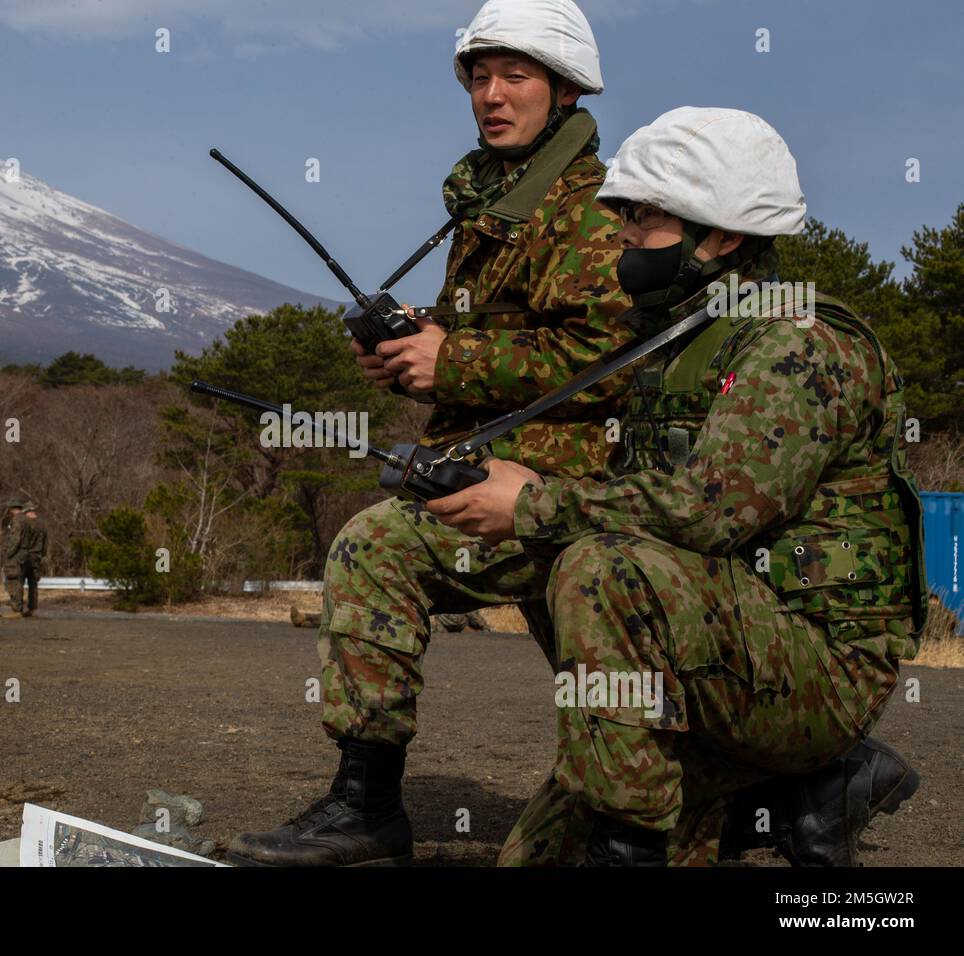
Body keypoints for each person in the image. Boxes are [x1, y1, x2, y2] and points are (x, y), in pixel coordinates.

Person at [424, 107, 927, 866]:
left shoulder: (796, 343)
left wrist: (531, 505)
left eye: (646, 218)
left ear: (722, 237)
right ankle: (791, 797)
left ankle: (694, 819)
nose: (623, 234)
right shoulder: (680, 344)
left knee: (600, 564)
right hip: (710, 662)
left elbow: (708, 514)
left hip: (816, 674)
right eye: (624, 214)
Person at [228, 0, 634, 867]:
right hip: (486, 461)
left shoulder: (594, 206)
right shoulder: (491, 203)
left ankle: (368, 809)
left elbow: (611, 353)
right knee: (612, 681)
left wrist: (453, 361)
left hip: (565, 478)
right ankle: (367, 801)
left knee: (376, 547)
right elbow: (492, 337)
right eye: (478, 76)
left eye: (514, 76)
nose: (491, 94)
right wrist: (413, 348)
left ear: (563, 92)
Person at [20, 502, 48, 617]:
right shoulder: (42, 525)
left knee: (19, 583)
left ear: (26, 512)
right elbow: (45, 544)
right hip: (37, 557)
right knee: (33, 584)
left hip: (25, 557)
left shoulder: (25, 524)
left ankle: (19, 608)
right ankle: (32, 608)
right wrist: (42, 555)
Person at [1, 499, 27, 619]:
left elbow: (15, 539)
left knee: (14, 581)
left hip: (16, 555)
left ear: (12, 508)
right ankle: (18, 608)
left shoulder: (17, 520)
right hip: (23, 554)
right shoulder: (26, 519)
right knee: (18, 581)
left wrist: (8, 553)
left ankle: (16, 609)